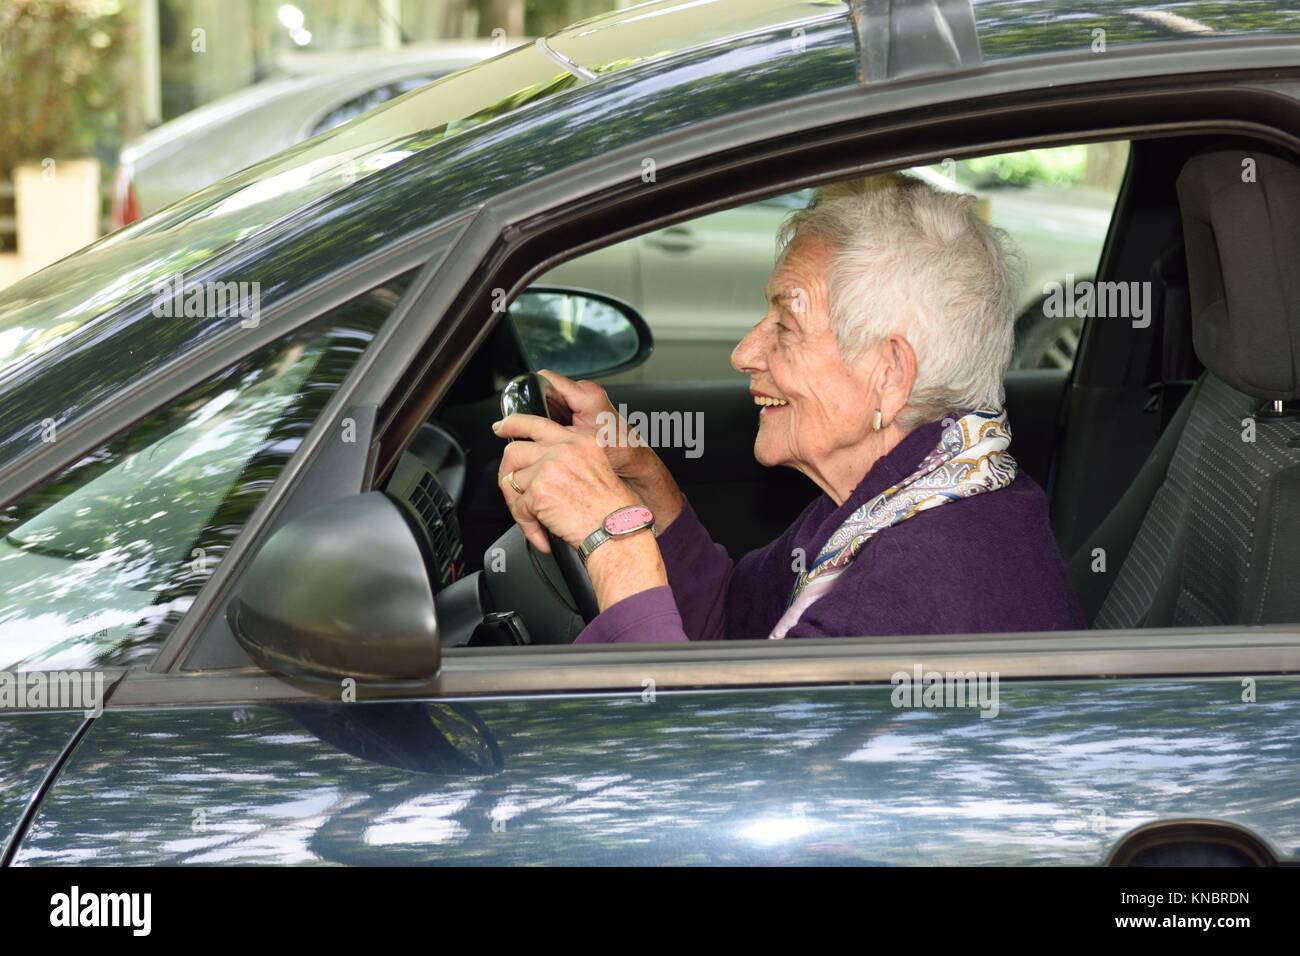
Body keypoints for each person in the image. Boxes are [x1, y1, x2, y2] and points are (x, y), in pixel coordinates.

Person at [493, 174, 1082, 642]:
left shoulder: (915, 587)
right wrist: (640, 479)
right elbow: (736, 622)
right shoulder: (896, 496)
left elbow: (698, 770)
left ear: (889, 374)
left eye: (786, 325)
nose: (745, 352)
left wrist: (613, 542)